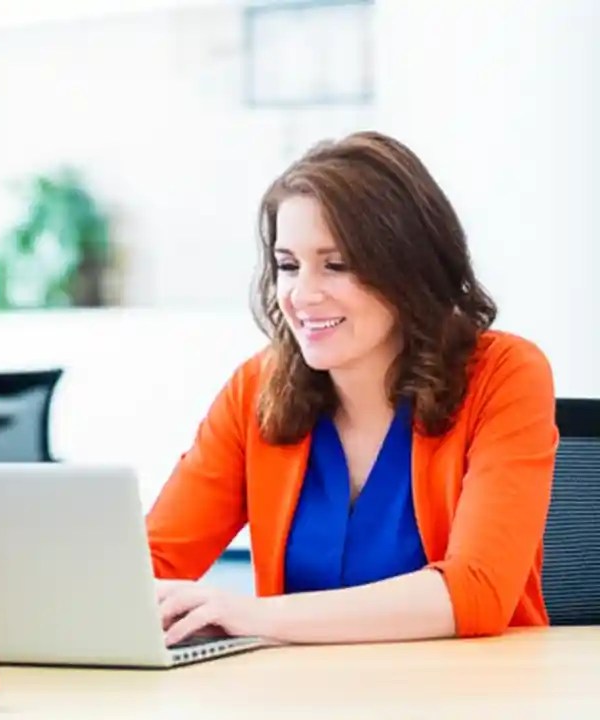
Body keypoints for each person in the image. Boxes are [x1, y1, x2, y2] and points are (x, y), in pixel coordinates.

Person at [147, 131, 558, 646]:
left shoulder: (505, 374)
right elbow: (148, 564)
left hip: (469, 695)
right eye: (288, 265)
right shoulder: (258, 388)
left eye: (336, 265)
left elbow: (476, 591)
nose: (302, 294)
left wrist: (252, 617)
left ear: (407, 268)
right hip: (305, 697)